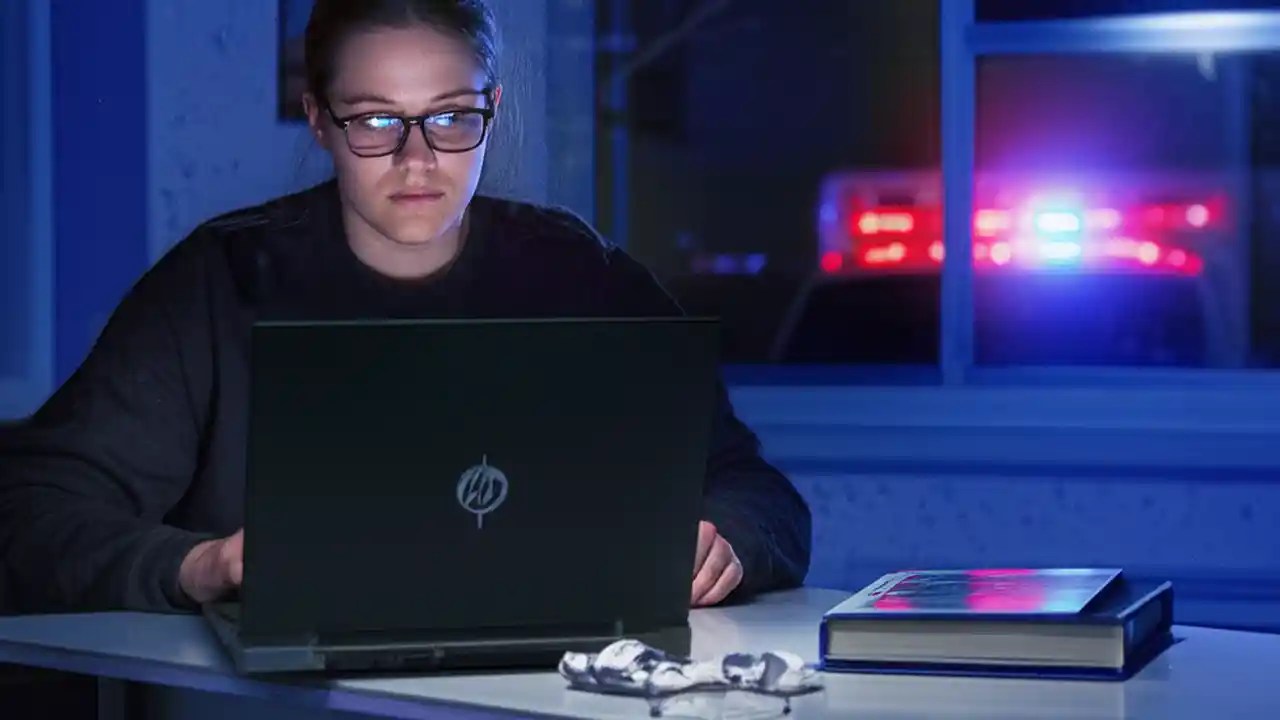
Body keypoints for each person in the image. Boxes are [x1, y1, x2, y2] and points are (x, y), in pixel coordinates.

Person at [0, 0, 810, 614]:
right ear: (320, 118)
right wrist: (199, 566)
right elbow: (30, 514)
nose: (418, 159)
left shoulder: (583, 275)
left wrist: (728, 539)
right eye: (377, 119)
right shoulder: (220, 282)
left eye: (452, 117)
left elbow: (755, 491)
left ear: (491, 110)